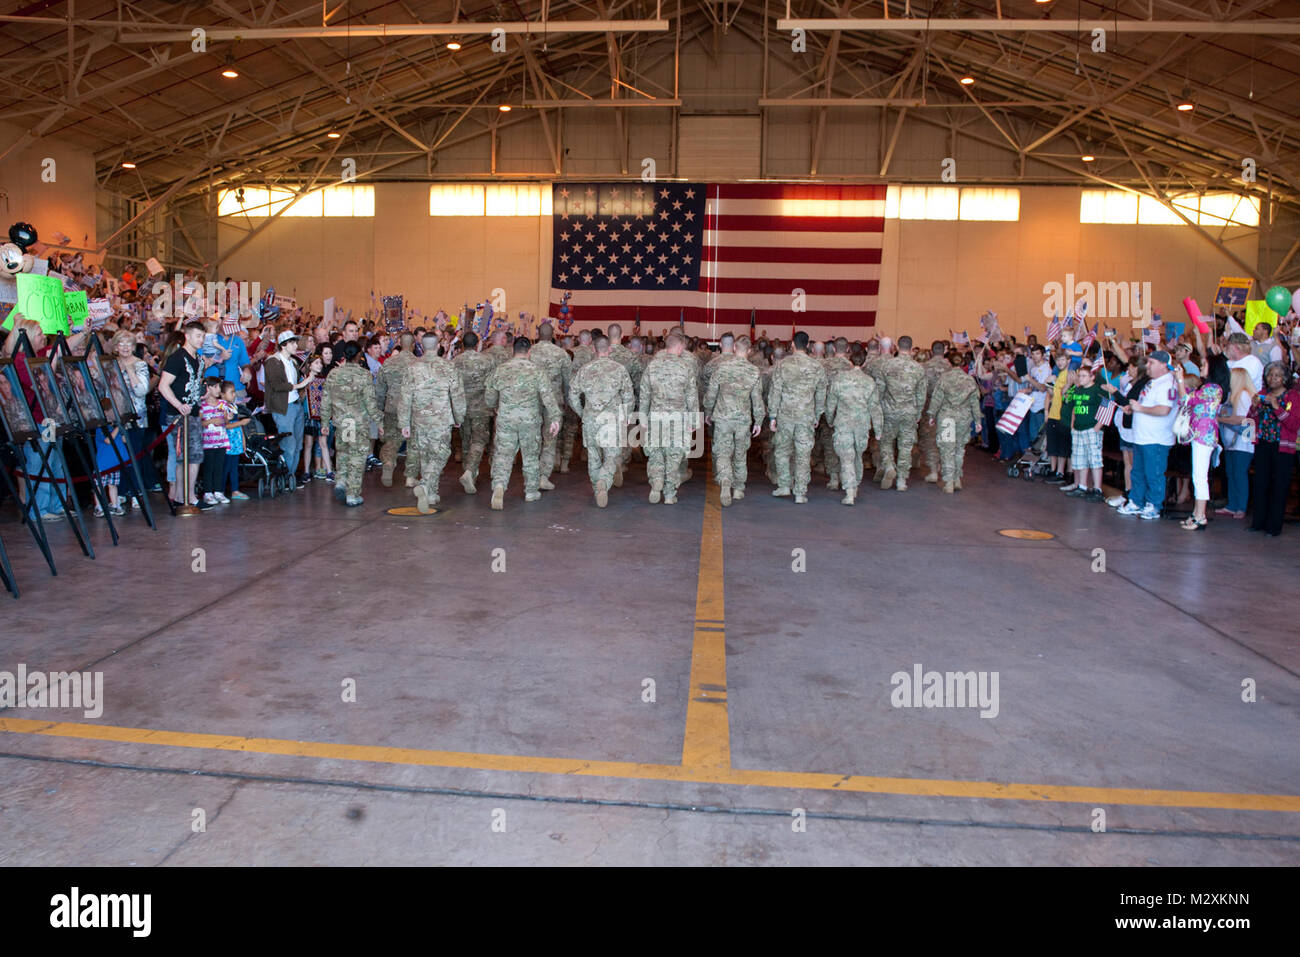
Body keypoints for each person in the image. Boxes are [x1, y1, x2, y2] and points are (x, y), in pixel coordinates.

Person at [484, 337, 560, 510]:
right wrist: (555, 418)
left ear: (513, 350)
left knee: (503, 455)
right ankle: (531, 491)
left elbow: (489, 398)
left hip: (506, 419)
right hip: (530, 420)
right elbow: (548, 397)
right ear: (529, 351)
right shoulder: (537, 371)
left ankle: (499, 486)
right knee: (531, 456)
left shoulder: (500, 370)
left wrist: (496, 406)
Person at [399, 333, 465, 514]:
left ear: (421, 345)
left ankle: (431, 494)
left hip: (418, 419)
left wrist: (404, 422)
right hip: (441, 419)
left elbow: (405, 397)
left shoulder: (412, 367)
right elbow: (457, 395)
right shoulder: (448, 366)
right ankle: (427, 485)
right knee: (441, 453)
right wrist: (459, 417)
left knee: (426, 455)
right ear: (438, 346)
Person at [569, 334, 634, 508]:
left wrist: (582, 412)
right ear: (610, 349)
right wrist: (626, 415)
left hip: (591, 419)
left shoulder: (585, 369)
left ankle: (597, 487)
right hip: (612, 420)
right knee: (612, 455)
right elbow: (629, 397)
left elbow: (573, 394)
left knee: (594, 455)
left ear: (593, 349)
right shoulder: (619, 369)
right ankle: (603, 481)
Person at [767, 331, 828, 503]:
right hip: (806, 417)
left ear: (793, 345)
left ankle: (784, 485)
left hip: (785, 417)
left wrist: (772, 416)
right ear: (807, 345)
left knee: (782, 452)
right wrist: (817, 414)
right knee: (803, 454)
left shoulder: (783, 365)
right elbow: (821, 393)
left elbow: (775, 392)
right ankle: (800, 492)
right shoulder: (817, 367)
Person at [1116, 350, 1177, 519]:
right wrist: (1133, 408)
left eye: (1151, 363)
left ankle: (1154, 504)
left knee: (1154, 473)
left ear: (1163, 365)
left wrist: (1141, 409)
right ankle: (1136, 501)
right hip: (1142, 436)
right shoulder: (1152, 382)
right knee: (1138, 472)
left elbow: (1165, 409)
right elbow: (1146, 403)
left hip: (1156, 438)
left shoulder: (1168, 384)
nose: (1147, 366)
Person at [703, 335, 764, 506]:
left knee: (722, 452)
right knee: (740, 454)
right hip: (743, 420)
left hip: (723, 418)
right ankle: (738, 488)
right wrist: (758, 421)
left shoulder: (722, 368)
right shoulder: (753, 371)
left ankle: (725, 480)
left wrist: (708, 412)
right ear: (749, 351)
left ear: (735, 348)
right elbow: (757, 400)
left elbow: (711, 394)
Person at [638, 333, 698, 505]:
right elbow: (692, 397)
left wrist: (642, 417)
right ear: (680, 347)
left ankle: (656, 481)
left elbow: (645, 393)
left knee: (655, 452)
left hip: (656, 416)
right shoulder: (686, 367)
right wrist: (694, 421)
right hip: (678, 418)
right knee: (673, 455)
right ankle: (670, 494)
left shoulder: (653, 366)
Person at [319, 342, 381, 507]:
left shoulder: (333, 374)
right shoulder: (364, 375)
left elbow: (325, 400)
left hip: (342, 423)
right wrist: (379, 422)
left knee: (344, 453)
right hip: (358, 424)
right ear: (358, 355)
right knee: (357, 458)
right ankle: (352, 494)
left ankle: (341, 481)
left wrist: (324, 421)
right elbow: (370, 403)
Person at [158, 320, 209, 509]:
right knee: (186, 456)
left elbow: (196, 383)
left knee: (192, 456)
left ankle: (185, 495)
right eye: (198, 336)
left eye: (203, 336)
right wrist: (178, 405)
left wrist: (201, 393)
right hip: (179, 415)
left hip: (193, 413)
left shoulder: (199, 360)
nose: (201, 339)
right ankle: (187, 496)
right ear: (187, 336)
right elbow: (163, 385)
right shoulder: (177, 358)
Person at [1246, 362, 1300, 537]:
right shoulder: (1262, 394)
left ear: (1285, 378)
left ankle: (1274, 526)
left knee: (1279, 486)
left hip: (1282, 447)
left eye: (1277, 375)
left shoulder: (1292, 397)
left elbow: (1293, 424)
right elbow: (1249, 421)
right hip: (1263, 443)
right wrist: (1254, 407)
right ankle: (1258, 523)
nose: (1273, 378)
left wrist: (1277, 407)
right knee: (1260, 483)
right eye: (1270, 375)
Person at [824, 351, 883, 505]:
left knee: (847, 458)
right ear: (864, 363)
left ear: (850, 362)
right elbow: (875, 408)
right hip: (862, 426)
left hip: (843, 424)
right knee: (857, 455)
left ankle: (849, 492)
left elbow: (831, 403)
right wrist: (878, 429)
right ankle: (854, 485)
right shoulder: (869, 382)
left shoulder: (840, 379)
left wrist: (830, 420)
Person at [264, 330, 318, 490]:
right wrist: (299, 385)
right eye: (293, 343)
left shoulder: (293, 362)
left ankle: (291, 476)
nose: (296, 345)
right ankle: (286, 477)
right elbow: (276, 385)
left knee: (298, 444)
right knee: (289, 444)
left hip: (295, 405)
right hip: (283, 407)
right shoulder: (273, 361)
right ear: (284, 345)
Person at [1173, 362, 1223, 530]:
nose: (1201, 367)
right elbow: (1184, 400)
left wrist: (1180, 379)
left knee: (1200, 477)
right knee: (1197, 475)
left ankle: (1201, 515)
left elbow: (1187, 400)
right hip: (1200, 434)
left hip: (1204, 435)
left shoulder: (1213, 388)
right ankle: (1196, 513)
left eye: (1204, 364)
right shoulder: (1206, 388)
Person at [875, 334, 925, 492]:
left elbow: (880, 391)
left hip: (889, 411)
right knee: (905, 446)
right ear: (911, 348)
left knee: (886, 443)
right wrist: (918, 414)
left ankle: (889, 465)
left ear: (897, 347)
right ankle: (902, 480)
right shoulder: (918, 368)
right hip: (909, 412)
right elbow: (921, 395)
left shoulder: (887, 366)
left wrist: (879, 411)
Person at [926, 356, 982, 494]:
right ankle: (957, 478)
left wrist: (932, 415)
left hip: (947, 419)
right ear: (964, 364)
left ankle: (949, 481)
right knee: (959, 449)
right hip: (964, 418)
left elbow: (937, 398)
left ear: (950, 364)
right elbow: (975, 402)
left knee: (947, 449)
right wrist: (978, 421)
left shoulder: (944, 379)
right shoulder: (970, 380)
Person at [528, 322, 572, 489]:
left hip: (532, 401)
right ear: (553, 334)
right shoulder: (561, 354)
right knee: (549, 439)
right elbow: (568, 382)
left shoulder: (529, 352)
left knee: (532, 439)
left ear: (538, 333)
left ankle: (531, 476)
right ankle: (543, 477)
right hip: (554, 403)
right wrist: (568, 401)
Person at [451, 330, 496, 494]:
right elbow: (492, 385)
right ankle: (470, 471)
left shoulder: (455, 362)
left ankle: (469, 473)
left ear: (462, 345)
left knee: (466, 440)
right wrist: (493, 404)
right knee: (479, 440)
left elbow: (452, 387)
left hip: (462, 408)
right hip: (482, 408)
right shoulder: (487, 361)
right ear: (477, 344)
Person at [376, 333, 417, 487]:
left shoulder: (388, 362)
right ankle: (410, 477)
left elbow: (380, 390)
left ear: (399, 343)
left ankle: (388, 462)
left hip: (392, 407)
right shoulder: (418, 363)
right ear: (413, 344)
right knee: (414, 443)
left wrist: (379, 411)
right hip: (412, 409)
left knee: (391, 441)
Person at [1215, 368, 1256, 519]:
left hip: (1242, 442)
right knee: (1231, 473)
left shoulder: (1243, 395)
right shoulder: (1232, 395)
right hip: (1232, 442)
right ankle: (1232, 505)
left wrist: (1219, 419)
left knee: (1239, 474)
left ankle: (1241, 507)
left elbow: (1240, 419)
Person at [1063, 363, 1105, 502]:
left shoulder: (1097, 390)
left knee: (1094, 458)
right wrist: (1072, 425)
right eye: (1079, 375)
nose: (1080, 378)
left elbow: (1106, 408)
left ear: (1092, 377)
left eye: (1083, 376)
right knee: (1079, 458)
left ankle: (1097, 488)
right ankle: (1082, 486)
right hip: (1078, 428)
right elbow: (1074, 407)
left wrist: (1097, 427)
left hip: (1091, 428)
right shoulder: (1078, 390)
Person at [198, 376, 231, 505]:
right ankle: (207, 492)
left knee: (219, 466)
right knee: (209, 467)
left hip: (221, 440)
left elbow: (226, 421)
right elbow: (199, 422)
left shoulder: (223, 404)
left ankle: (218, 491)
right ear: (208, 388)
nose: (218, 390)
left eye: (219, 386)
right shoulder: (202, 406)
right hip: (208, 442)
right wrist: (211, 421)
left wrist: (226, 417)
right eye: (216, 387)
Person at [220, 380, 251, 501]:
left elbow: (239, 426)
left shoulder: (234, 406)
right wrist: (241, 422)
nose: (234, 395)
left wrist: (243, 439)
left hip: (236, 440)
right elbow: (225, 425)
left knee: (234, 467)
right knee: (225, 467)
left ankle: (235, 490)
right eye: (231, 392)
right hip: (227, 441)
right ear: (222, 394)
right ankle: (220, 490)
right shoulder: (222, 407)